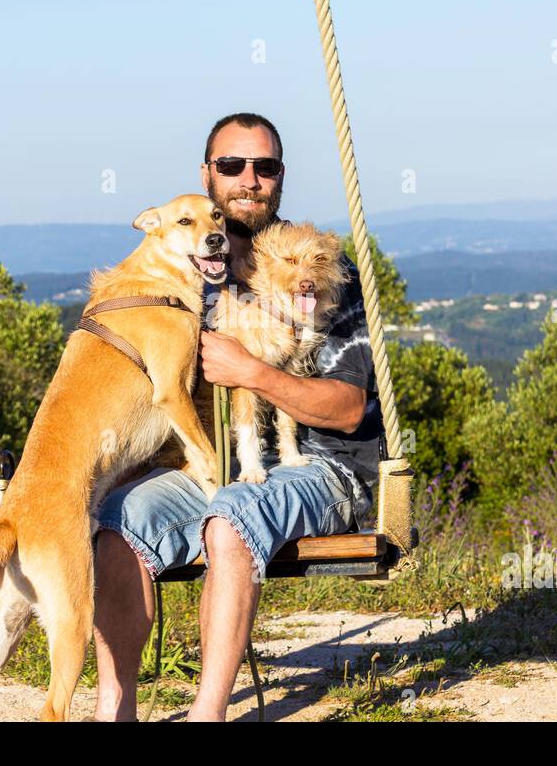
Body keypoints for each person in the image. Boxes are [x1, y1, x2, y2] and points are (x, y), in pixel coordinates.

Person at [92, 112, 385, 721]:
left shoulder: (319, 270)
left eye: (264, 167)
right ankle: (114, 709)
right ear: (208, 175)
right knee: (119, 522)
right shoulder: (187, 271)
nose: (249, 180)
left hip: (321, 466)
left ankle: (208, 714)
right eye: (232, 166)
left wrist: (253, 372)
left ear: (280, 177)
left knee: (231, 518)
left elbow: (350, 407)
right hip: (210, 459)